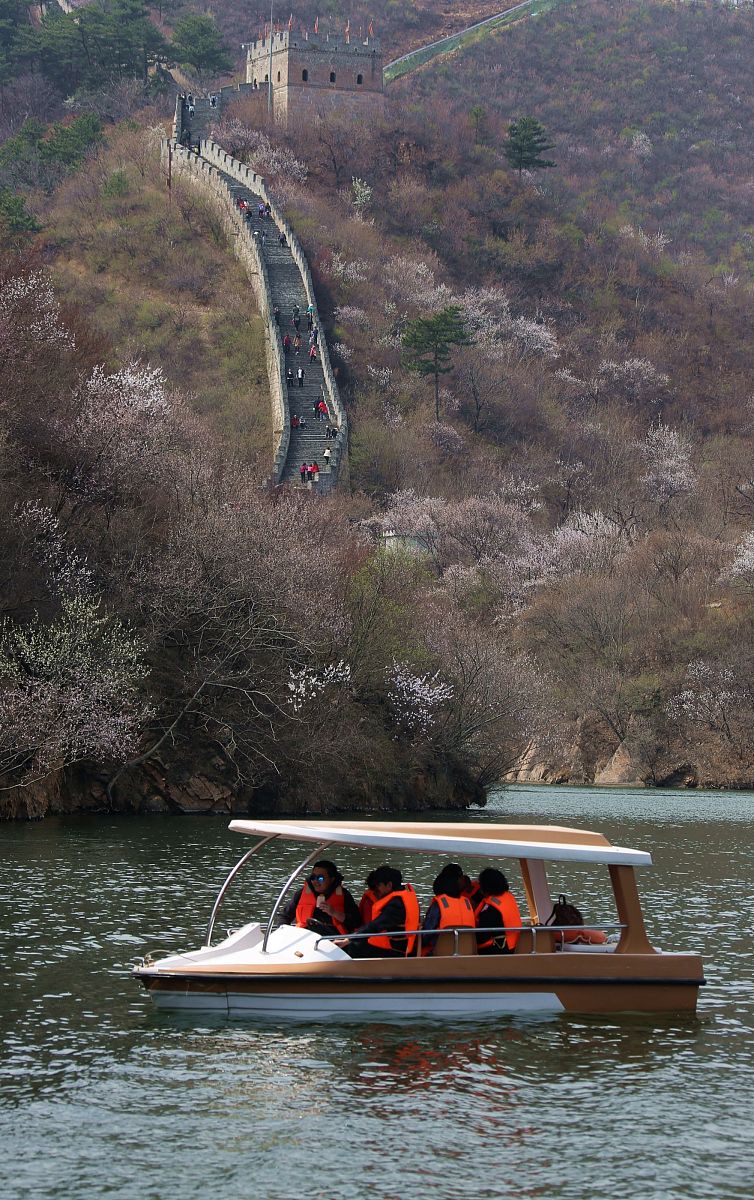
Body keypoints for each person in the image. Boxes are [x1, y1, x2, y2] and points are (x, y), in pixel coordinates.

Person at [335, 866, 420, 958]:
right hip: (402, 945)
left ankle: (353, 971)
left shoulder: (396, 905)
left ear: (389, 885)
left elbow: (375, 926)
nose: (376, 889)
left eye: (379, 885)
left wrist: (348, 940)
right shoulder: (405, 893)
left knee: (354, 946)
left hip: (397, 951)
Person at [279, 860, 360, 937]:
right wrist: (283, 933)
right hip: (304, 936)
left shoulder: (344, 895)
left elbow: (356, 922)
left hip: (333, 940)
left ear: (332, 879)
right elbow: (285, 916)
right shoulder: (301, 893)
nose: (316, 881)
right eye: (313, 877)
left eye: (320, 878)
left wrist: (334, 912)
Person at [420, 866, 475, 956]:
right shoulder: (467, 903)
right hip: (466, 954)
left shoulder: (438, 905)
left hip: (439, 955)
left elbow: (425, 936)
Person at [474, 868, 522, 954]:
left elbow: (481, 938)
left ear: (485, 887)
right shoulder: (509, 898)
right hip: (515, 946)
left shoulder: (490, 910)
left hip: (498, 950)